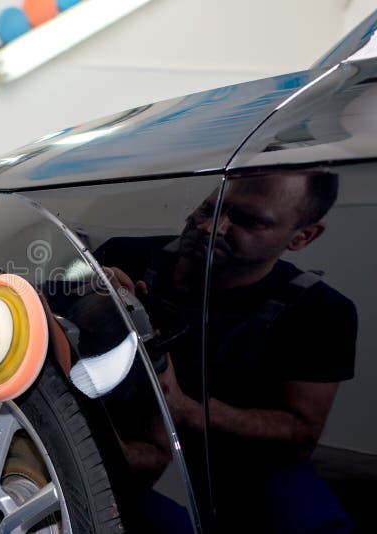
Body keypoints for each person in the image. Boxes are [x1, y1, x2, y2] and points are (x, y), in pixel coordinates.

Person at [96, 168, 357, 533]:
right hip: (129, 440)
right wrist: (88, 296)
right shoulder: (123, 256)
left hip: (239, 464)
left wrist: (185, 410)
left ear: (302, 236)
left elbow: (299, 435)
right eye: (209, 208)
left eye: (247, 221)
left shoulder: (319, 312)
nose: (211, 227)